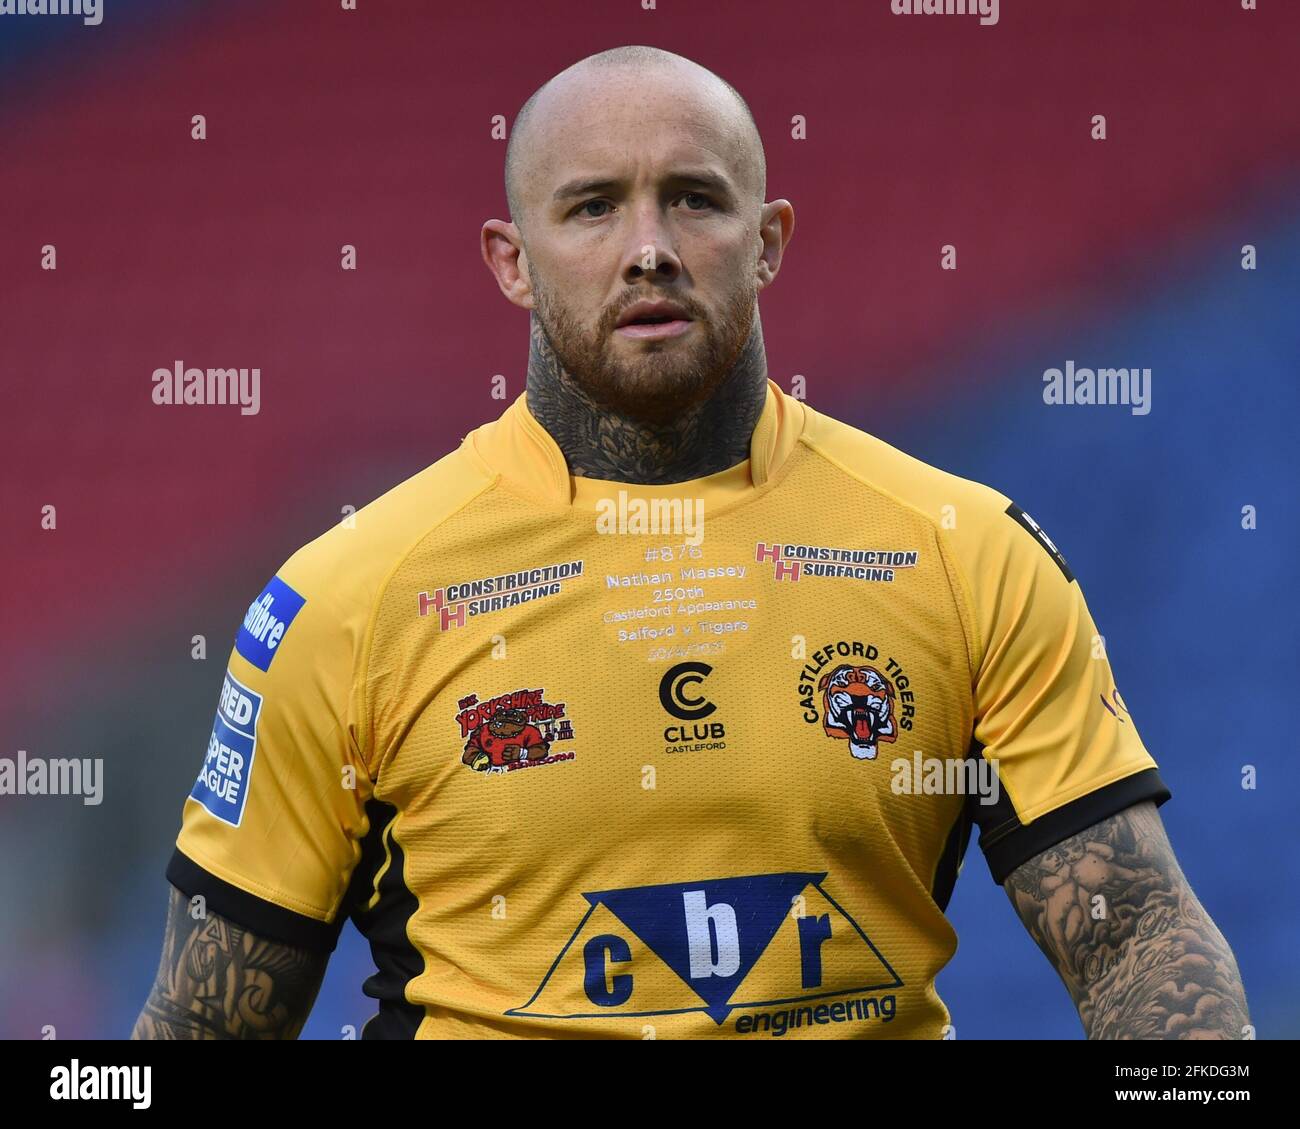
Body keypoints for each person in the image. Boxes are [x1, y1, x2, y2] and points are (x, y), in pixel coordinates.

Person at [133, 45, 1249, 1040]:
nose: (650, 249)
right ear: (511, 259)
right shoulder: (348, 601)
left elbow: (1136, 935)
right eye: (591, 209)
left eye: (694, 200)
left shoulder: (965, 555)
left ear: (767, 242)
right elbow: (204, 1020)